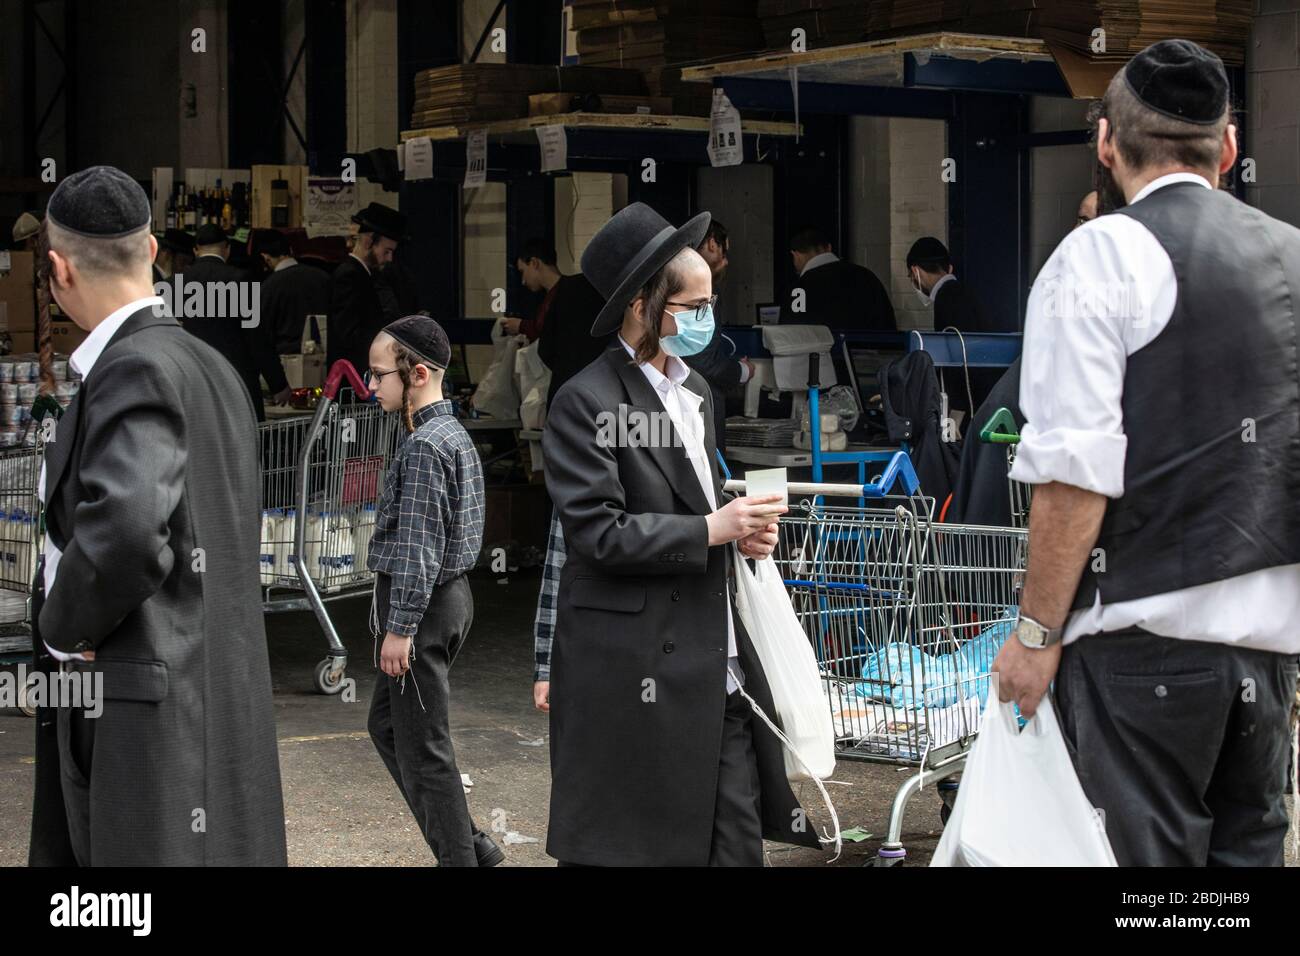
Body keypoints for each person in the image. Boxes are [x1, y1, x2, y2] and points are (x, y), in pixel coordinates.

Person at [992, 39, 1300, 867]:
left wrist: (1033, 633)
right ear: (1228, 148)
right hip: (1268, 662)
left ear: (1104, 144)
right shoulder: (1296, 257)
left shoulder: (1097, 256)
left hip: (1138, 653)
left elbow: (1073, 475)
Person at [542, 202, 824, 866]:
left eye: (710, 301)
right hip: (633, 668)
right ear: (642, 306)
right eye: (692, 305)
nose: (707, 318)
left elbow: (692, 506)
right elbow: (599, 533)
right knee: (634, 844)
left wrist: (739, 533)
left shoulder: (694, 388)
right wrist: (709, 528)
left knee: (733, 841)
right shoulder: (585, 402)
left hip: (714, 662)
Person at [28, 165, 286, 866]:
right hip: (217, 706)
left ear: (58, 269)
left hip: (146, 725)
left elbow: (130, 530)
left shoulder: (130, 368)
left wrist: (62, 629)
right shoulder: (212, 369)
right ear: (151, 251)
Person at [362, 314, 503, 867]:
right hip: (446, 600)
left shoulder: (424, 447)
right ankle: (474, 848)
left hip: (423, 608)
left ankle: (460, 858)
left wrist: (400, 628)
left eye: (379, 376)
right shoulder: (450, 434)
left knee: (425, 749)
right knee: (386, 725)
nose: (372, 387)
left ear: (416, 374)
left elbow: (419, 548)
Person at [180, 223, 291, 421]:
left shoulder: (174, 283)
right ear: (227, 249)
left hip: (191, 388)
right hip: (237, 387)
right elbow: (257, 338)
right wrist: (278, 384)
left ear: (196, 250)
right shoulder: (241, 281)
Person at [685, 218, 753, 454]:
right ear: (713, 243)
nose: (726, 260)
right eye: (725, 250)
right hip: (697, 404)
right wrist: (741, 371)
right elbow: (701, 357)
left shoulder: (669, 279)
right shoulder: (699, 286)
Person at [521, 239, 608, 410]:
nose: (523, 281)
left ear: (534, 263)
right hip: (602, 390)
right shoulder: (597, 291)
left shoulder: (559, 297)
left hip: (566, 388)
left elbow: (545, 349)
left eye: (522, 271)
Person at [328, 202, 406, 377]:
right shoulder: (349, 276)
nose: (389, 258)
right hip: (355, 378)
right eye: (386, 251)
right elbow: (349, 334)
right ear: (369, 241)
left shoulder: (365, 275)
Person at [781, 226, 895, 331]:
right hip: (870, 350)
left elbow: (791, 333)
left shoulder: (799, 289)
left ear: (795, 255)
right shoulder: (866, 276)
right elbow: (886, 321)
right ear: (829, 247)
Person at [258, 230, 329, 354]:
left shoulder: (268, 287)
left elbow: (263, 332)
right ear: (290, 250)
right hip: (324, 353)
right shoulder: (322, 277)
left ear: (266, 257)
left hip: (285, 357)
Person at [905, 236, 987, 334]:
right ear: (949, 268)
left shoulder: (945, 297)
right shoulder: (963, 291)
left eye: (910, 276)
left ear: (915, 271)